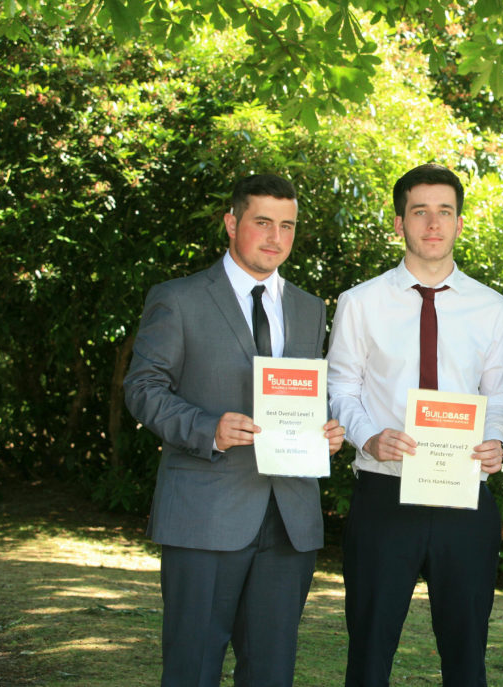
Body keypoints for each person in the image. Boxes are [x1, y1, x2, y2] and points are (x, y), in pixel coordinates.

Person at [124, 173, 345, 687]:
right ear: (231, 223)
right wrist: (209, 428)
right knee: (192, 667)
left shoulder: (309, 307)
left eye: (287, 225)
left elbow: (309, 392)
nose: (275, 237)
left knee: (271, 671)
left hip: (290, 518)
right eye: (262, 222)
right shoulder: (179, 299)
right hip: (205, 513)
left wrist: (327, 428)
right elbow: (142, 388)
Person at [326, 163, 503, 687]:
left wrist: (498, 439)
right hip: (385, 496)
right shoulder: (360, 303)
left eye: (445, 212)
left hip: (466, 500)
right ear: (399, 223)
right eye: (420, 212)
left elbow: (497, 397)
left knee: (466, 658)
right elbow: (340, 388)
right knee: (368, 654)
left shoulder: (492, 308)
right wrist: (368, 437)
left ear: (459, 223)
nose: (433, 224)